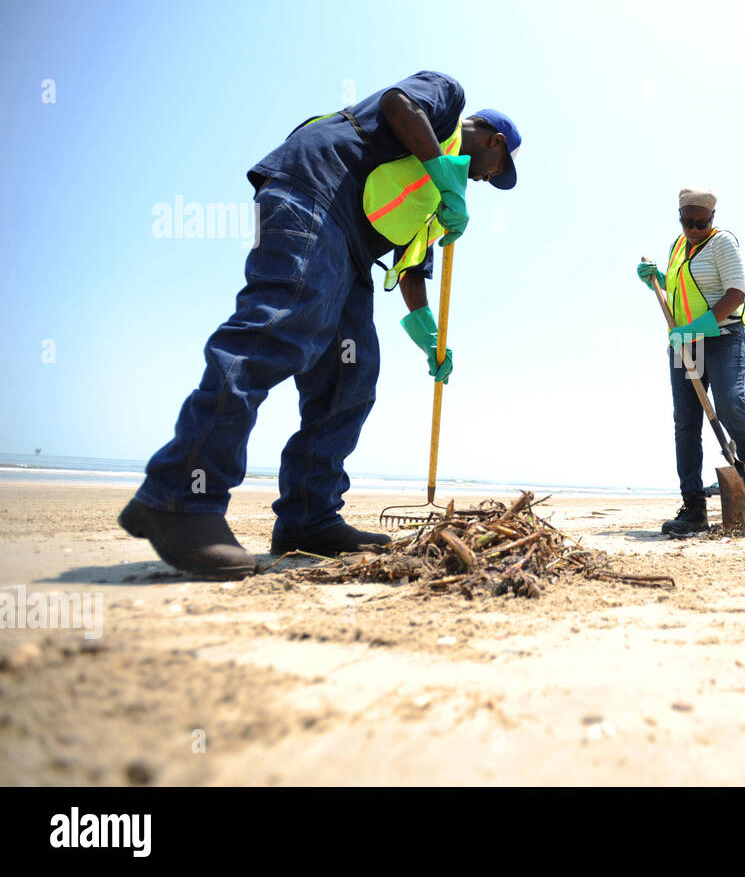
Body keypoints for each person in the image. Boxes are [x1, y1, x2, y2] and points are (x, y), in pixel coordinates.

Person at [120, 71, 522, 578]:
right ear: (495, 141)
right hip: (317, 191)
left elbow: (413, 266)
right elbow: (399, 104)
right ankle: (180, 496)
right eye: (496, 170)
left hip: (352, 249)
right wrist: (443, 170)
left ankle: (309, 518)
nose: (487, 181)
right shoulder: (445, 98)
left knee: (350, 379)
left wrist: (429, 339)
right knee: (278, 330)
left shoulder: (435, 197)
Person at [637, 188, 745, 534]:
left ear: (712, 219)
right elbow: (679, 289)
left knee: (731, 406)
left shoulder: (723, 244)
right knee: (685, 423)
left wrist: (697, 328)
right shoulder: (678, 246)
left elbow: (736, 293)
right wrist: (657, 280)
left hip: (723, 339)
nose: (693, 229)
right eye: (686, 222)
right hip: (684, 346)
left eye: (700, 223)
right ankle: (693, 509)